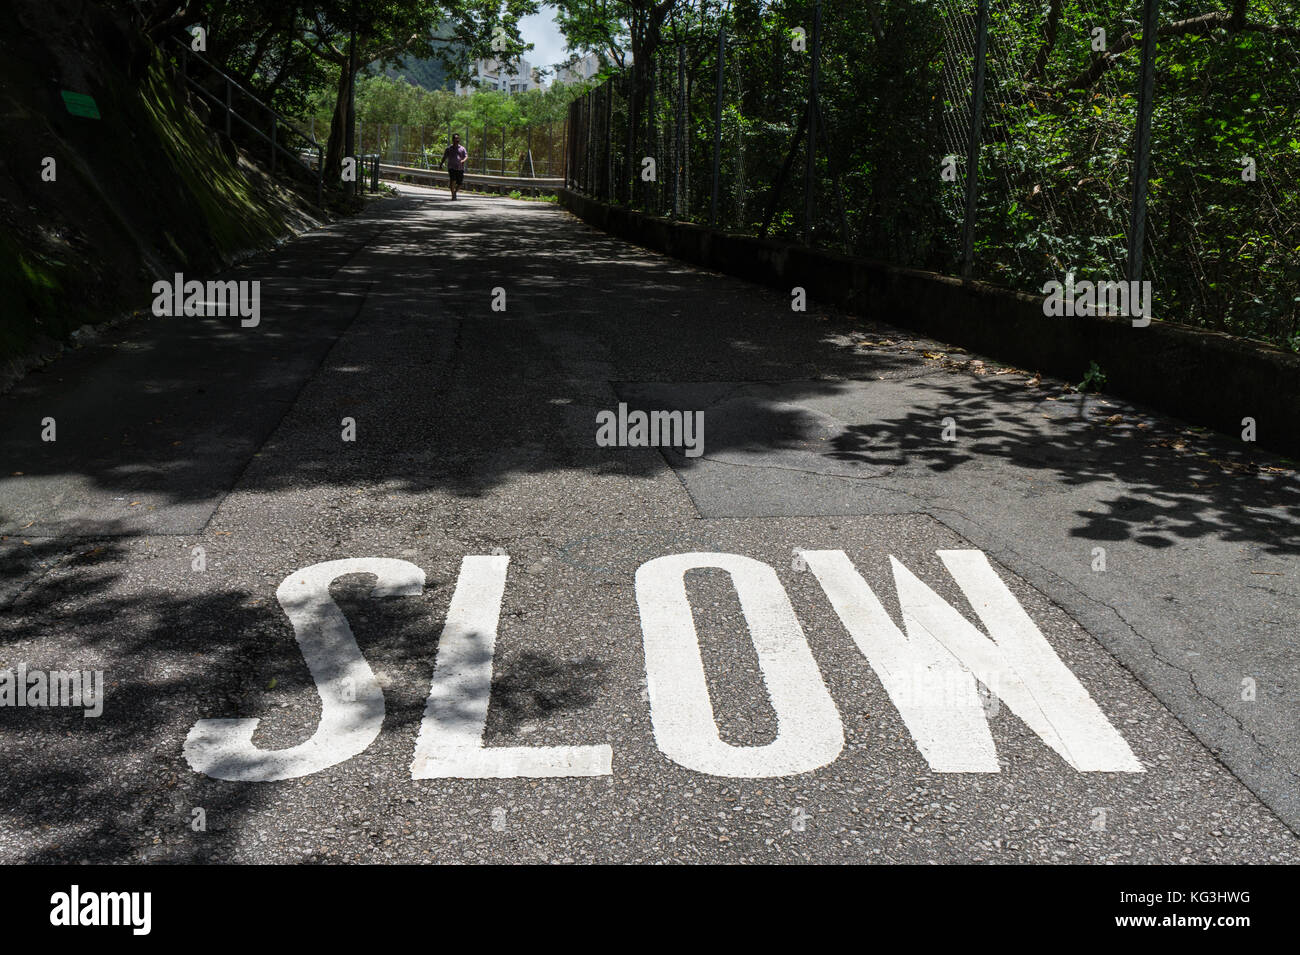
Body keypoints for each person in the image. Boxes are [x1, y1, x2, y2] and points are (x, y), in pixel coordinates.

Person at [438, 133, 468, 200]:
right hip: (451, 167)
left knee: (460, 183)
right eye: (455, 138)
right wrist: (441, 164)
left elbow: (466, 156)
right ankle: (453, 195)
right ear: (453, 140)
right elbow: (444, 157)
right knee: (453, 180)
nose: (457, 140)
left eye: (458, 138)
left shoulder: (462, 148)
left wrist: (463, 160)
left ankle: (454, 192)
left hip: (460, 168)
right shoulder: (449, 149)